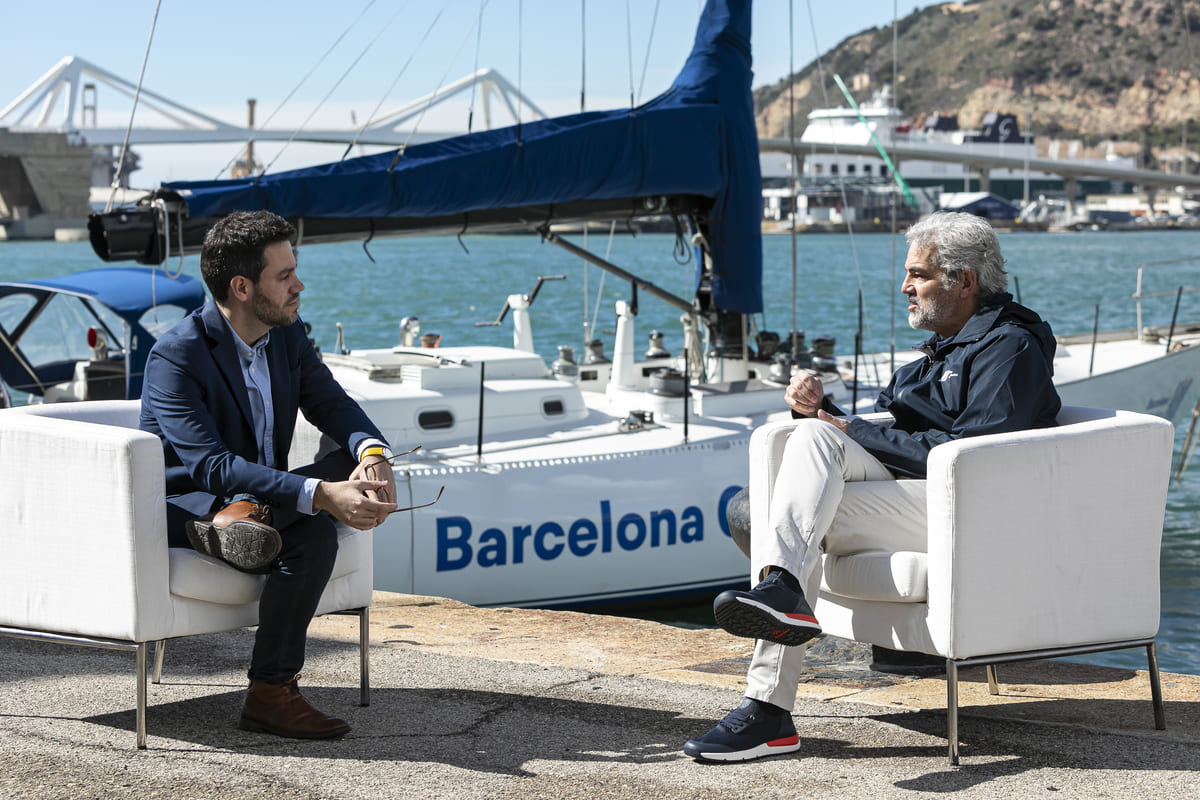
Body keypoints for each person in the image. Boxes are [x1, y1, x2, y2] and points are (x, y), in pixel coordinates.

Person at [684, 211, 1062, 762]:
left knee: (782, 522)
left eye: (919, 275)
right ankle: (782, 594)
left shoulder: (1009, 348)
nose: (905, 287)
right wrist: (823, 413)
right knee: (810, 441)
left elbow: (971, 460)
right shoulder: (946, 348)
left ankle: (768, 710)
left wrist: (847, 427)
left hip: (969, 510)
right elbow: (891, 438)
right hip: (916, 498)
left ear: (964, 281)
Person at [140, 210, 398, 740]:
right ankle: (270, 695)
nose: (298, 285)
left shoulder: (287, 334)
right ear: (241, 286)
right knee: (314, 531)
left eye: (294, 271)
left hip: (255, 498)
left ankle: (252, 515)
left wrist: (372, 452)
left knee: (343, 461)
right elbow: (208, 466)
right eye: (283, 276)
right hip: (191, 505)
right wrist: (321, 495)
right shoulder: (177, 355)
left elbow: (330, 403)